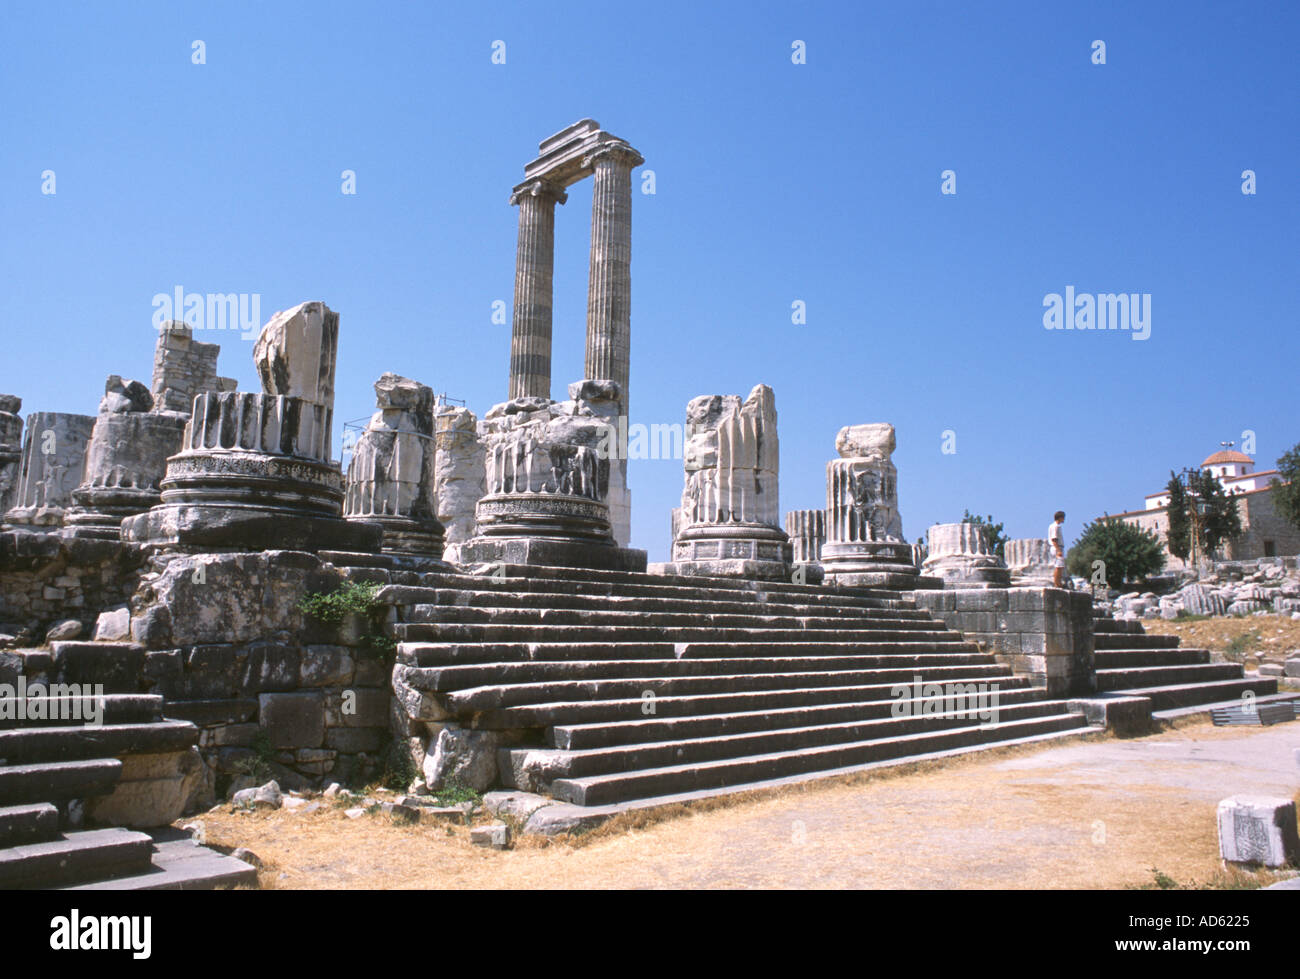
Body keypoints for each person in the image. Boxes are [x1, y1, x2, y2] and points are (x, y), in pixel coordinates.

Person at [1048, 510, 1066, 587]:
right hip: (1057, 547)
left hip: (1056, 547)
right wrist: (1058, 550)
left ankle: (1058, 582)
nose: (1064, 519)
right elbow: (1054, 538)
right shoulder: (1056, 526)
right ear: (1060, 518)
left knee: (1059, 566)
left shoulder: (1053, 526)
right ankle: (1057, 583)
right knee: (1058, 566)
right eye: (1063, 518)